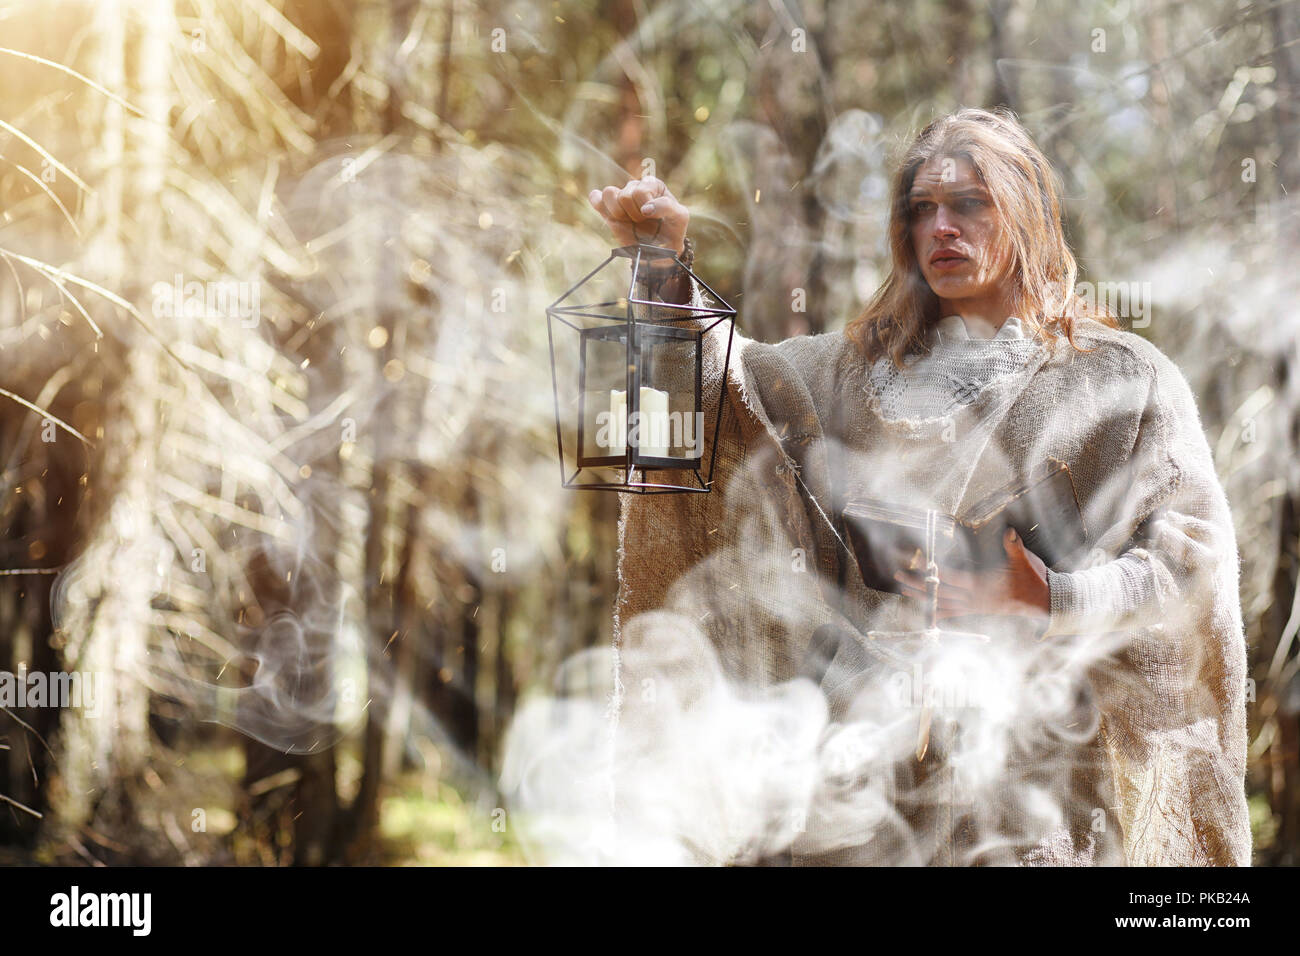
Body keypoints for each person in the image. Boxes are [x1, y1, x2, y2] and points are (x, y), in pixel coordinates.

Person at [587, 106, 1250, 866]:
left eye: (970, 203)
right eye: (921, 209)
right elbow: (731, 400)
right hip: (857, 802)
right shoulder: (844, 374)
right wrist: (665, 274)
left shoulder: (1122, 382)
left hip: (1035, 802)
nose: (942, 227)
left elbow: (1192, 575)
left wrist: (1049, 597)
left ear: (1026, 215)